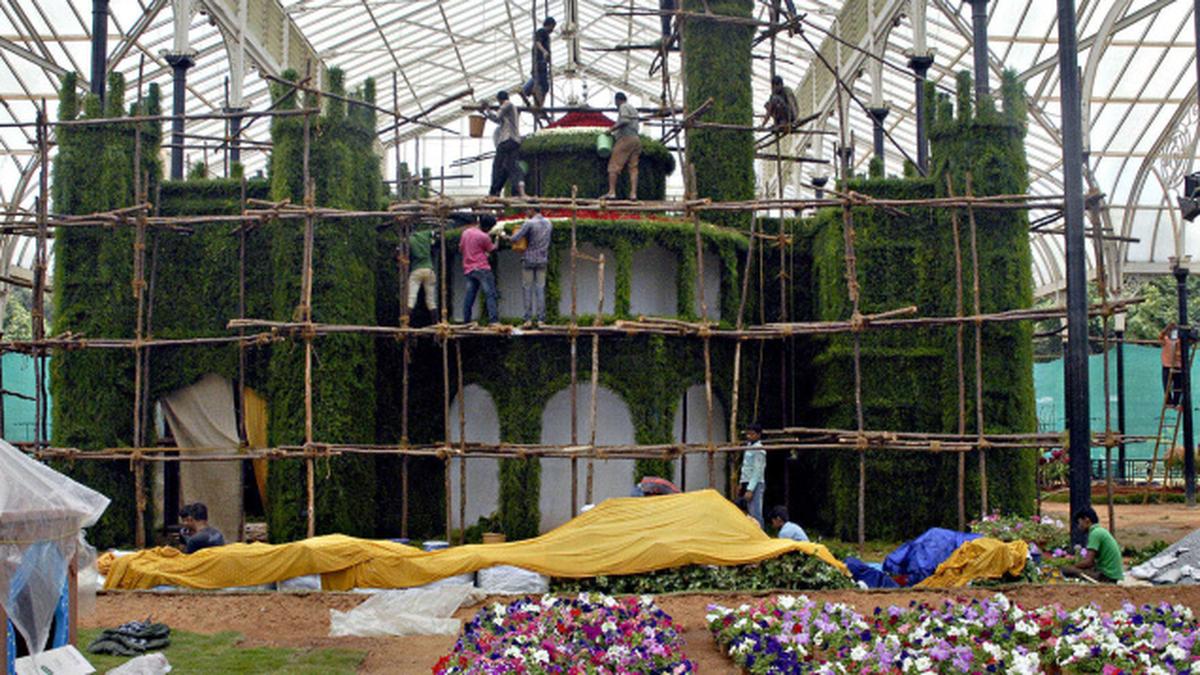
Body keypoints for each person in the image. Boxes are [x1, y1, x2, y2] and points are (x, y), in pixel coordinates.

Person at [510, 207, 553, 327]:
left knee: (527, 288)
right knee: (540, 288)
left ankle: (528, 319)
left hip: (529, 259)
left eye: (527, 210)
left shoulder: (529, 223)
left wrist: (504, 236)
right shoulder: (549, 223)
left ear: (532, 210)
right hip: (542, 260)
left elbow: (515, 238)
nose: (526, 212)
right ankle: (541, 320)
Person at [481, 91, 527, 198]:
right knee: (511, 166)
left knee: (497, 165)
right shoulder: (512, 110)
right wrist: (486, 113)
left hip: (507, 140)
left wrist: (487, 109)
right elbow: (498, 120)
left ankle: (493, 191)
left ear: (499, 100)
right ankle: (516, 191)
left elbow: (497, 117)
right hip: (515, 142)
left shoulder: (507, 104)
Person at [1061, 506, 1124, 584]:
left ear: (1087, 520)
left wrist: (1072, 566)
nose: (1079, 526)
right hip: (1112, 575)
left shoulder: (1095, 533)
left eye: (1080, 522)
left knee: (1067, 570)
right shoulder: (1100, 531)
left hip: (1107, 576)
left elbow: (1089, 562)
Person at [460, 214, 500, 325]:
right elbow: (492, 249)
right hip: (482, 268)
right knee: (490, 293)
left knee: (470, 296)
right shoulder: (484, 237)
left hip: (468, 269)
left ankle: (466, 320)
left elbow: (461, 248)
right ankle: (494, 320)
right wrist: (497, 240)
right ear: (487, 227)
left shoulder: (465, 233)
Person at [605, 92, 642, 200]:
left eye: (615, 102)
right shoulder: (633, 109)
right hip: (636, 140)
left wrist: (611, 130)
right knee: (633, 168)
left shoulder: (623, 106)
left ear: (617, 100)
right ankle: (633, 194)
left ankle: (612, 192)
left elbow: (625, 120)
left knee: (613, 165)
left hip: (626, 139)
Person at [403, 227, 437, 320]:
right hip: (429, 269)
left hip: (416, 270)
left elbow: (402, 254)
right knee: (431, 300)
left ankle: (405, 322)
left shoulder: (408, 240)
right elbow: (435, 233)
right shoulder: (425, 233)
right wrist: (432, 242)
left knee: (411, 298)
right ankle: (437, 323)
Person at [524, 17, 556, 111]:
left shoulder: (545, 34)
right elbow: (537, 42)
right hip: (539, 62)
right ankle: (528, 90)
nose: (553, 29)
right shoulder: (542, 32)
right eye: (553, 26)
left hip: (541, 63)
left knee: (541, 83)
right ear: (550, 25)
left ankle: (531, 94)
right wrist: (544, 52)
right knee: (544, 86)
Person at [739, 422, 766, 528]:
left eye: (752, 434)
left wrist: (750, 489)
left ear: (759, 435)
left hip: (755, 483)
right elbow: (746, 467)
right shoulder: (749, 446)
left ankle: (761, 536)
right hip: (746, 481)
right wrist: (742, 483)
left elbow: (757, 471)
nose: (749, 436)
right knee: (748, 512)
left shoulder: (759, 449)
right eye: (748, 434)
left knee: (755, 512)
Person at [1160, 322, 1183, 408]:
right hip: (1167, 364)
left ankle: (1175, 402)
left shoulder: (1180, 340)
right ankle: (1169, 401)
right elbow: (1161, 336)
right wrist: (1166, 329)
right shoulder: (1165, 339)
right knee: (1166, 385)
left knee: (1178, 385)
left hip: (1177, 365)